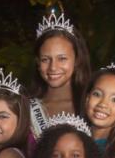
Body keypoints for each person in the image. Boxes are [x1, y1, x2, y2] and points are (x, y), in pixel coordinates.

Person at [28, 10, 92, 146]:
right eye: (45, 59)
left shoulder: (91, 104)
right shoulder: (26, 108)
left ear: (77, 60)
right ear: (38, 62)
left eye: (62, 58)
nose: (53, 67)